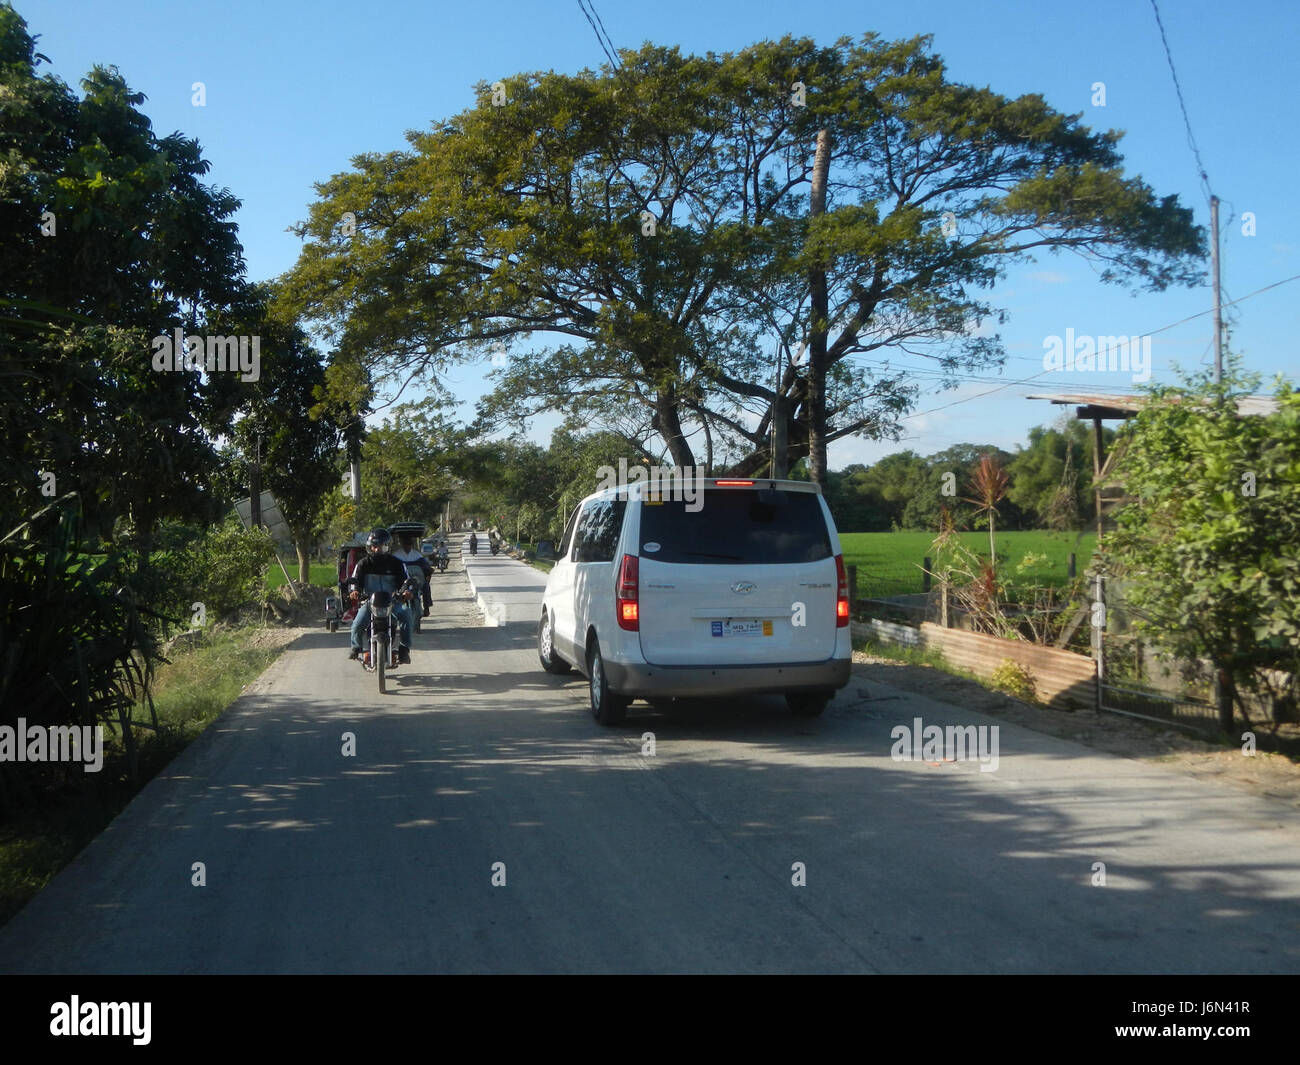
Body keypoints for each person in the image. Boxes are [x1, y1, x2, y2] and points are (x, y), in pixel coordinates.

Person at [347, 528, 414, 663]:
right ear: (370, 547)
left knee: (406, 614)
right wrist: (354, 591)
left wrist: (406, 591)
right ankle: (356, 647)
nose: (377, 549)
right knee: (357, 624)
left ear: (387, 547)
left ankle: (404, 649)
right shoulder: (363, 564)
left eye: (381, 546)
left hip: (392, 602)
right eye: (374, 546)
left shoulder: (397, 564)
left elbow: (406, 581)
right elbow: (355, 581)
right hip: (369, 602)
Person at [391, 528, 434, 617]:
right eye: (405, 544)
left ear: (412, 544)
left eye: (409, 544)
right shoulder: (395, 556)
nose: (407, 546)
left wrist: (428, 572)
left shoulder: (417, 555)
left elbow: (425, 566)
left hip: (416, 581)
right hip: (401, 582)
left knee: (426, 585)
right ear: (402, 544)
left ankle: (426, 607)